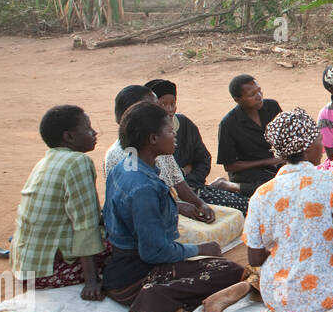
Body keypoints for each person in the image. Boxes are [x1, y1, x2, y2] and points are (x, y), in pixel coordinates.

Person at [102, 103, 247, 312]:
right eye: (170, 131)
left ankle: (159, 301)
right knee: (230, 271)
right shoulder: (144, 188)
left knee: (215, 266)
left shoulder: (126, 165)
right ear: (152, 139)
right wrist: (200, 249)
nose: (175, 135)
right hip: (136, 275)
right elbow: (154, 252)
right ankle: (153, 300)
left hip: (119, 270)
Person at [244, 109, 333, 312]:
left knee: (268, 266)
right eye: (319, 139)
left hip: (279, 297)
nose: (323, 148)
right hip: (328, 291)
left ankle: (244, 288)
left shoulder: (261, 194)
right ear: (306, 148)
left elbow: (254, 259)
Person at [104, 87, 244, 248]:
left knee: (235, 216)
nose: (162, 111)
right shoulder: (124, 158)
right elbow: (139, 208)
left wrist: (200, 204)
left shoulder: (158, 144)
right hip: (151, 222)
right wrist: (175, 207)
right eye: (155, 107)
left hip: (170, 207)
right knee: (206, 239)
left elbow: (177, 179)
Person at [9, 105, 110, 297]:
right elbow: (85, 224)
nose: (95, 132)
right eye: (88, 128)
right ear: (69, 137)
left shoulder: (47, 159)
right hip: (45, 273)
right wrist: (91, 281)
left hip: (26, 266)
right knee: (126, 249)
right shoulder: (78, 162)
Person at [144, 78, 246, 211]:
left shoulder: (185, 124)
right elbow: (163, 180)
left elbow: (203, 159)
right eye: (163, 105)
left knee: (246, 204)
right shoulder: (148, 138)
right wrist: (184, 171)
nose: (169, 109)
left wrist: (188, 182)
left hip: (195, 191)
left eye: (173, 103)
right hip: (170, 201)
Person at [216, 74, 285, 197]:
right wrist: (268, 161)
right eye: (252, 95)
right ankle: (229, 186)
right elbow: (230, 166)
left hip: (277, 163)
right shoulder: (228, 124)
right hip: (248, 172)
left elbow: (286, 136)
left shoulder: (272, 107)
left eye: (259, 91)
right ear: (237, 100)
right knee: (270, 187)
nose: (259, 97)